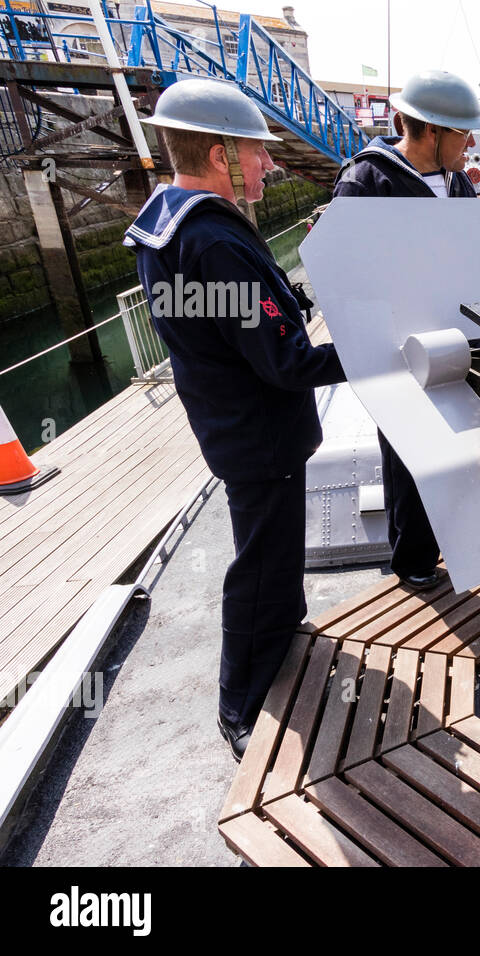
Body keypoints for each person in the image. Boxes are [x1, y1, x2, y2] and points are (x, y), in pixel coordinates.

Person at [124, 78, 347, 761]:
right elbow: (285, 364)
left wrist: (293, 295)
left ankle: (285, 636)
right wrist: (373, 354)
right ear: (219, 155)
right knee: (260, 567)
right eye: (255, 153)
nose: (267, 166)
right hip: (260, 434)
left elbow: (231, 321)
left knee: (275, 557)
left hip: (230, 424)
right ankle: (240, 704)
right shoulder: (217, 242)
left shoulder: (168, 221)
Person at [332, 71, 480, 588]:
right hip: (400, 349)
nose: (470, 145)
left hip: (458, 339)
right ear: (431, 131)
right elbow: (344, 274)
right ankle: (415, 563)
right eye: (463, 135)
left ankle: (456, 545)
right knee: (407, 458)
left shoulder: (457, 181)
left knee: (460, 446)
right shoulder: (365, 181)